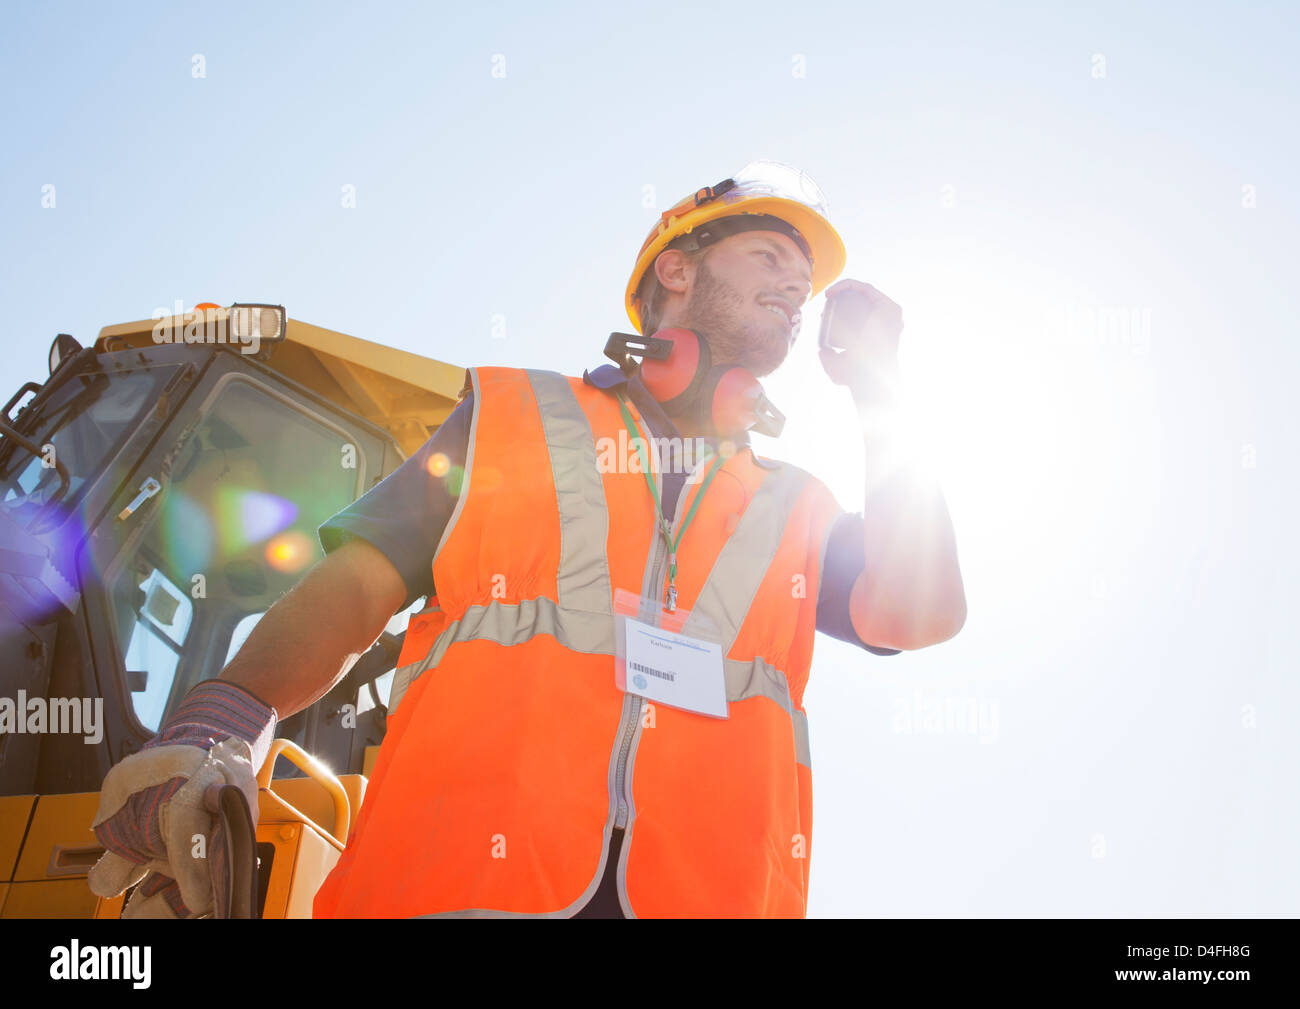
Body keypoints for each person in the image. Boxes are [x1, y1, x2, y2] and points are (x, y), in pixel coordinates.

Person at [89, 162, 966, 919]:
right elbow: (356, 589)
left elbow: (919, 611)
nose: (794, 289)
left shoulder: (796, 506)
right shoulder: (515, 419)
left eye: (803, 281)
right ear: (678, 269)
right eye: (770, 257)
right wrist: (217, 727)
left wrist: (881, 387)